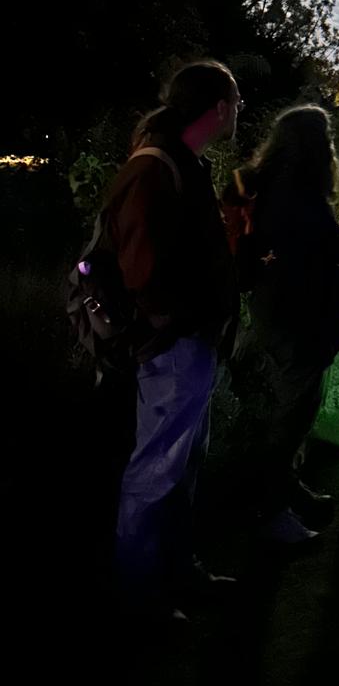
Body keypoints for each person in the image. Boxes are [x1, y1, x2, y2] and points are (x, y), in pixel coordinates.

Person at [107, 60, 241, 625]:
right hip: (172, 346)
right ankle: (140, 594)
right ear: (217, 107)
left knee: (181, 466)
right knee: (156, 469)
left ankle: (177, 571)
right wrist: (183, 322)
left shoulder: (182, 163)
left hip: (189, 342)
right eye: (237, 100)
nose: (240, 111)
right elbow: (145, 271)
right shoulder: (156, 168)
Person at [235, 106, 339, 543]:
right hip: (301, 316)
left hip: (277, 311)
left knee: (295, 408)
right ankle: (272, 510)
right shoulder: (300, 196)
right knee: (293, 413)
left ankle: (288, 491)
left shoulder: (268, 187)